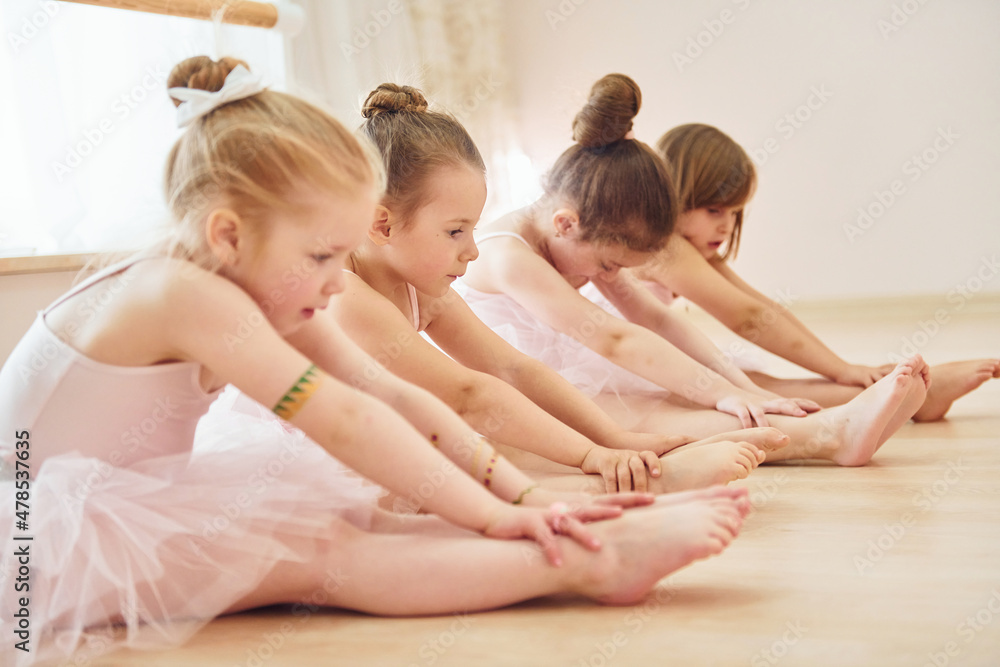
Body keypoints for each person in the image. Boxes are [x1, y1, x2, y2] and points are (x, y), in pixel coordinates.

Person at [0, 57, 750, 666]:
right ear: (228, 236)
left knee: (351, 512)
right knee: (319, 550)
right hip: (30, 543)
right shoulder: (182, 293)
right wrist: (498, 513)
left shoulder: (255, 283)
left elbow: (390, 398)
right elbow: (346, 421)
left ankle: (571, 532)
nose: (338, 281)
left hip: (110, 499)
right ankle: (592, 562)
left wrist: (522, 498)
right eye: (322, 255)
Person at [328, 82, 786, 495]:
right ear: (382, 225)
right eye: (455, 232)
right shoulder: (344, 297)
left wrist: (613, 439)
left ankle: (637, 472)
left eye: (472, 230)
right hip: (341, 452)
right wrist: (591, 454)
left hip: (387, 428)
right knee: (458, 460)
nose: (472, 251)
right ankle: (639, 482)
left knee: (502, 444)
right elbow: (469, 396)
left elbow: (512, 368)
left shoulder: (423, 289)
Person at [461, 74, 931, 466]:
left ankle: (830, 425)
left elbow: (657, 319)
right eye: (609, 265)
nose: (610, 275)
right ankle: (826, 434)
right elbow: (612, 338)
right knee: (631, 414)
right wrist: (721, 393)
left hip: (556, 363)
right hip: (502, 386)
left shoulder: (582, 234)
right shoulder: (509, 257)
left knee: (668, 396)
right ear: (567, 224)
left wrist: (740, 388)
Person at [628, 123, 999, 421]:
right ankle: (906, 397)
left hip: (642, 360)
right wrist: (841, 369)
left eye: (734, 213)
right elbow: (746, 318)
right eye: (714, 211)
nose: (726, 226)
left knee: (746, 382)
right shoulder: (665, 247)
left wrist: (845, 367)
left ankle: (900, 395)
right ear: (674, 196)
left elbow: (762, 309)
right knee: (738, 388)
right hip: (621, 371)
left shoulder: (690, 249)